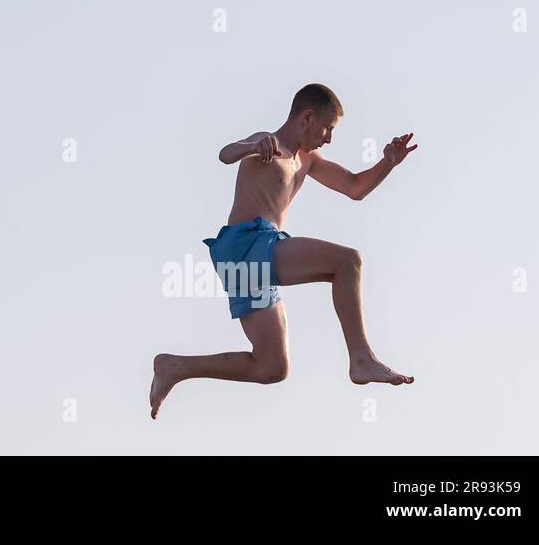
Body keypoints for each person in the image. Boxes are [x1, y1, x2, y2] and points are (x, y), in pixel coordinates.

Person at [149, 83, 416, 419]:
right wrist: (252, 145)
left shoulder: (307, 160)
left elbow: (355, 187)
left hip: (249, 259)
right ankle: (361, 359)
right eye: (327, 128)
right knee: (347, 261)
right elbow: (225, 154)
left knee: (272, 367)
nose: (329, 139)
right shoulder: (270, 142)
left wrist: (387, 163)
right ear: (307, 117)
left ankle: (174, 367)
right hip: (247, 244)